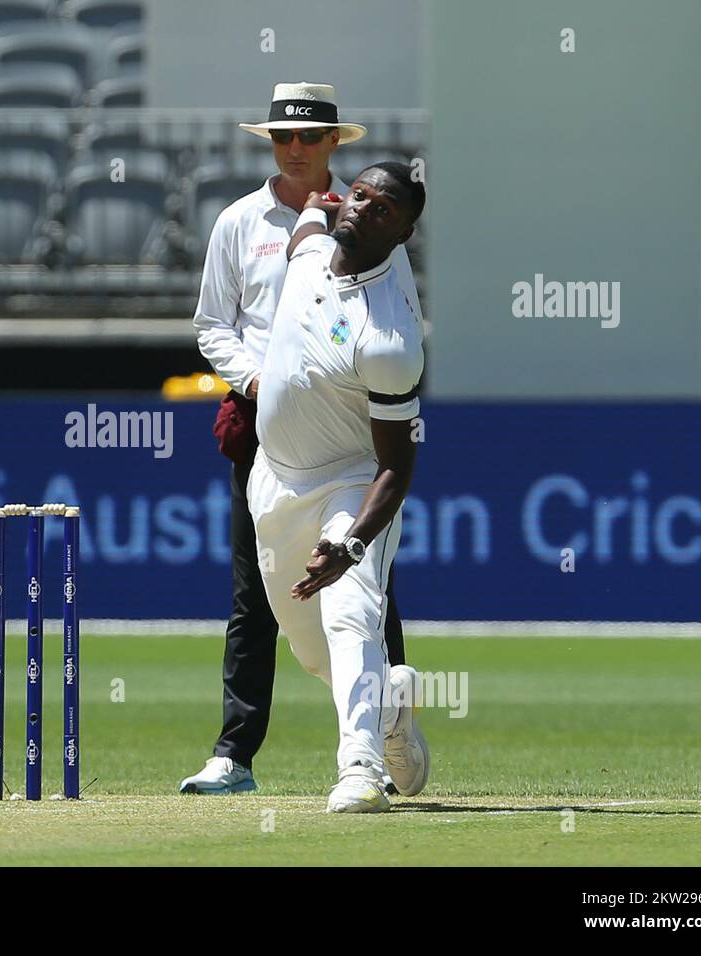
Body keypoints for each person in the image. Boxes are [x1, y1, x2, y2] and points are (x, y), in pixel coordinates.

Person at [182, 82, 421, 795]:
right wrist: (260, 379)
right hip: (268, 436)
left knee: (360, 599)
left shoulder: (364, 224)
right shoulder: (259, 225)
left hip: (351, 442)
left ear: (332, 145)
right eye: (283, 136)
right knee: (263, 600)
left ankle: (364, 759)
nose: (295, 148)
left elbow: (385, 319)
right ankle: (245, 750)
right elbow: (211, 325)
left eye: (310, 137)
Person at [248, 162, 430, 811]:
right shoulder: (312, 242)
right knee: (313, 653)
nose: (363, 211)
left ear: (402, 233)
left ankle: (360, 770)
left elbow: (397, 468)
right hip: (272, 483)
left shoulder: (390, 340)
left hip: (349, 484)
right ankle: (390, 713)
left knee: (351, 612)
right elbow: (312, 205)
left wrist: (351, 546)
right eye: (359, 197)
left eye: (383, 210)